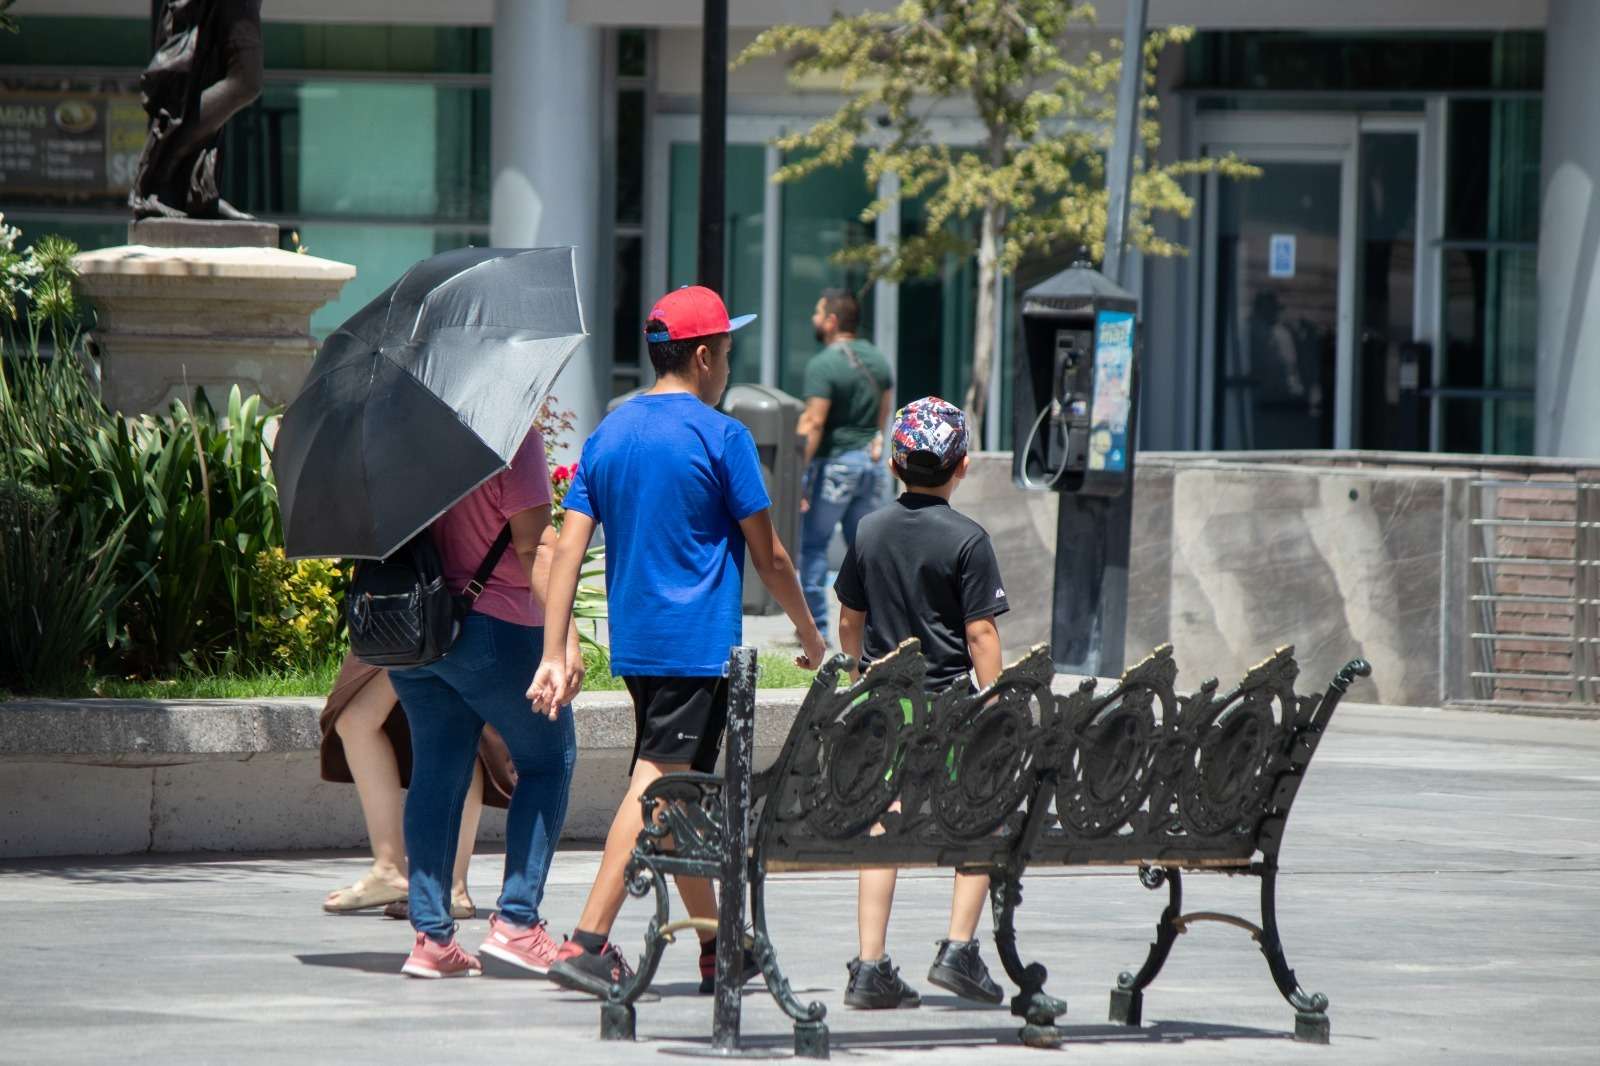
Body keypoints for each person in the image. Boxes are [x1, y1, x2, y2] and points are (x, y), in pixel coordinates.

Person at [529, 285, 827, 996]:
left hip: (638, 649)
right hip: (696, 652)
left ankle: (721, 948)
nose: (727, 364)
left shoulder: (609, 434)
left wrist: (552, 650)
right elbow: (771, 557)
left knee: (677, 795)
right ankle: (588, 942)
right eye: (726, 351)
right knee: (658, 786)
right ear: (702, 358)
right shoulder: (722, 436)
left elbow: (565, 549)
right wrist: (812, 637)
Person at [387, 426, 586, 979]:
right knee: (549, 760)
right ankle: (518, 921)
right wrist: (563, 640)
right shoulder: (510, 435)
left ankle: (431, 938)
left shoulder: (402, 433)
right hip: (494, 626)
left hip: (413, 630)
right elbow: (534, 545)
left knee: (436, 774)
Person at [832, 397, 1009, 1010]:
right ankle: (959, 948)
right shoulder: (969, 540)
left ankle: (870, 964)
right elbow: (980, 634)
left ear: (893, 465)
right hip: (950, 709)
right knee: (982, 813)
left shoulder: (868, 531)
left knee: (883, 822)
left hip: (888, 711)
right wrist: (995, 703)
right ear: (962, 467)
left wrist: (860, 674)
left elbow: (849, 621)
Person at [319, 654, 518, 921]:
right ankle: (389, 869)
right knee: (355, 716)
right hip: (400, 626)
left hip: (465, 627)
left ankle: (452, 886)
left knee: (459, 720)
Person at [795, 288, 895, 645]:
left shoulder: (823, 364)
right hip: (871, 465)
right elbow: (884, 411)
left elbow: (813, 422)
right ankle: (874, 631)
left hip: (834, 466)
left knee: (813, 546)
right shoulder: (879, 359)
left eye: (818, 312)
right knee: (866, 551)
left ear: (832, 321)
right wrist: (876, 442)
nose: (813, 318)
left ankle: (816, 632)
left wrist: (798, 474)